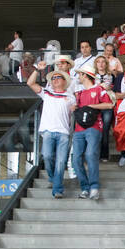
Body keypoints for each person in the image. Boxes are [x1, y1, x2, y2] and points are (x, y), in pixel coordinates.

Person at [28, 57, 76, 198]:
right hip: (48, 131)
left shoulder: (70, 97)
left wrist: (75, 108)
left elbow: (74, 108)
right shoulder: (46, 93)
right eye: (53, 77)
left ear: (64, 81)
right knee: (47, 156)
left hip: (63, 133)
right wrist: (37, 69)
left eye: (58, 77)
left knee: (61, 162)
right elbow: (30, 83)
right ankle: (53, 178)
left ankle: (57, 189)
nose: (55, 79)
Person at [71, 66, 113, 201]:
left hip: (94, 127)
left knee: (90, 154)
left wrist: (91, 107)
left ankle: (94, 187)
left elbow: (109, 104)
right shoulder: (81, 93)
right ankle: (85, 188)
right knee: (76, 159)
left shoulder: (98, 89)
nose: (78, 77)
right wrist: (75, 108)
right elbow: (78, 108)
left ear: (85, 75)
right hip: (78, 129)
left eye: (80, 74)